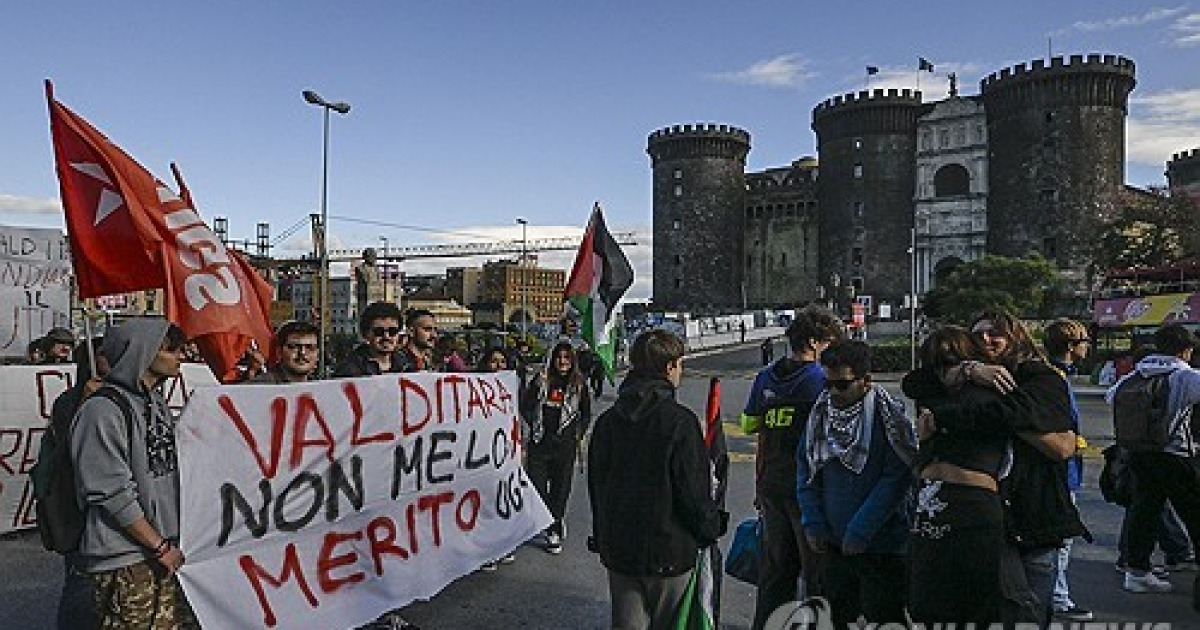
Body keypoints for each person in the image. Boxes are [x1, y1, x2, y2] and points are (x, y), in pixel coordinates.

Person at [904, 309, 1083, 626]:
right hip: (992, 518)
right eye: (978, 333)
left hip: (1037, 513)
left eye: (995, 332)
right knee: (1000, 611)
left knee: (1031, 612)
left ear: (1015, 337)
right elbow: (914, 382)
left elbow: (1058, 444)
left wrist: (949, 418)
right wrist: (969, 371)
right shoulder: (966, 379)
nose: (986, 338)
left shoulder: (1040, 377)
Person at [588, 329, 727, 629]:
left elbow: (596, 488)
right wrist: (710, 528)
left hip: (621, 551)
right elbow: (692, 492)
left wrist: (602, 537)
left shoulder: (607, 422)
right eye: (680, 365)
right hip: (669, 551)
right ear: (668, 368)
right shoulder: (679, 422)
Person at [70, 319, 198, 628]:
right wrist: (159, 546)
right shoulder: (101, 411)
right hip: (127, 559)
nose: (181, 356)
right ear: (142, 352)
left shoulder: (155, 403)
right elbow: (112, 492)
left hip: (162, 553)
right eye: (171, 349)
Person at [797, 340, 915, 628]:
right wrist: (812, 522)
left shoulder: (889, 419)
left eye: (842, 385)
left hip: (882, 546)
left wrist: (860, 530)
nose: (833, 392)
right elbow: (806, 470)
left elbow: (896, 478)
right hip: (834, 544)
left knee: (884, 618)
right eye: (828, 384)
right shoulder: (819, 414)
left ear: (865, 381)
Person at [741, 305, 843, 630]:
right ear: (814, 342)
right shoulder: (821, 381)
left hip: (771, 484)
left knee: (775, 574)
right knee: (818, 577)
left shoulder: (765, 377)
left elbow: (749, 426)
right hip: (810, 493)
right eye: (830, 343)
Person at [1107, 323, 1200, 601]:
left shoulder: (1136, 374)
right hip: (1176, 455)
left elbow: (1110, 396)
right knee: (1195, 513)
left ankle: (1136, 572)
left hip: (1139, 453)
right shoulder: (1184, 377)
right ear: (1186, 350)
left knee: (1145, 510)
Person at [51, 337, 110, 630]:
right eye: (102, 355)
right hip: (77, 508)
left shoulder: (117, 398)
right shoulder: (67, 402)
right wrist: (86, 405)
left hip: (106, 515)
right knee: (80, 589)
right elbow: (67, 449)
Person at [1042, 319, 1095, 622]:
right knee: (1061, 541)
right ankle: (1058, 597)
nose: (1088, 346)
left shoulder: (1058, 376)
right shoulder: (1055, 378)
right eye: (1084, 340)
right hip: (1062, 469)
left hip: (1067, 466)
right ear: (1071, 347)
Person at [522, 341, 592, 554]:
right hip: (540, 444)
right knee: (538, 488)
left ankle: (554, 526)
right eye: (559, 357)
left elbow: (585, 413)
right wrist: (534, 424)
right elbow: (526, 405)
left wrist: (579, 432)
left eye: (567, 358)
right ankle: (550, 520)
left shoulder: (579, 385)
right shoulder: (540, 381)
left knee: (561, 489)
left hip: (565, 446)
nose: (562, 362)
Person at [477, 346, 519, 571]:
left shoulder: (511, 387)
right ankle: (488, 550)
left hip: (504, 455)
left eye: (502, 361)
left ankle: (503, 545)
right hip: (481, 455)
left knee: (503, 501)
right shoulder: (472, 387)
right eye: (493, 361)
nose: (498, 366)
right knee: (486, 502)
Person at [333, 301, 415, 376]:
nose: (386, 336)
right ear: (366, 334)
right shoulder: (349, 369)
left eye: (392, 331)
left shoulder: (407, 365)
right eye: (379, 331)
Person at [250, 321, 321, 384]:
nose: (302, 352)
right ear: (279, 352)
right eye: (293, 347)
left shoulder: (321, 388)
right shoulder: (258, 387)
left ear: (317, 354)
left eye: (310, 347)